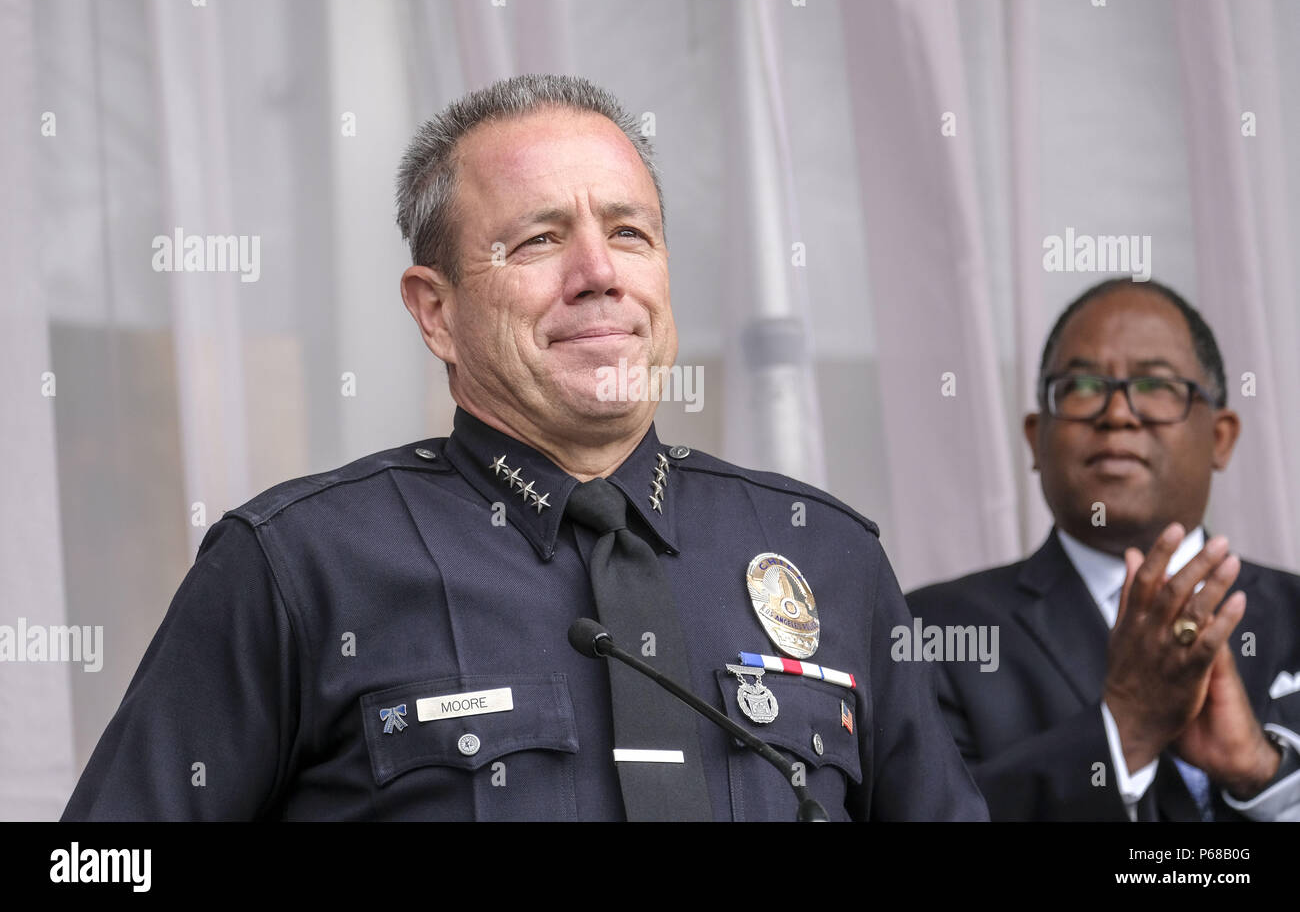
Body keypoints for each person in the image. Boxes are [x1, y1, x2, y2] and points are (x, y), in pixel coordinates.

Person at [62, 74, 985, 821]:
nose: (600, 275)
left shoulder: (828, 554)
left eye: (630, 232)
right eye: (541, 240)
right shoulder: (298, 567)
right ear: (436, 309)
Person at [908, 278, 1300, 820]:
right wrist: (1124, 730)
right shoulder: (929, 631)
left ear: (1221, 437)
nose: (1117, 414)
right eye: (1083, 386)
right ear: (1035, 439)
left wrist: (1263, 771)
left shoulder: (1294, 613)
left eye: (1157, 385)